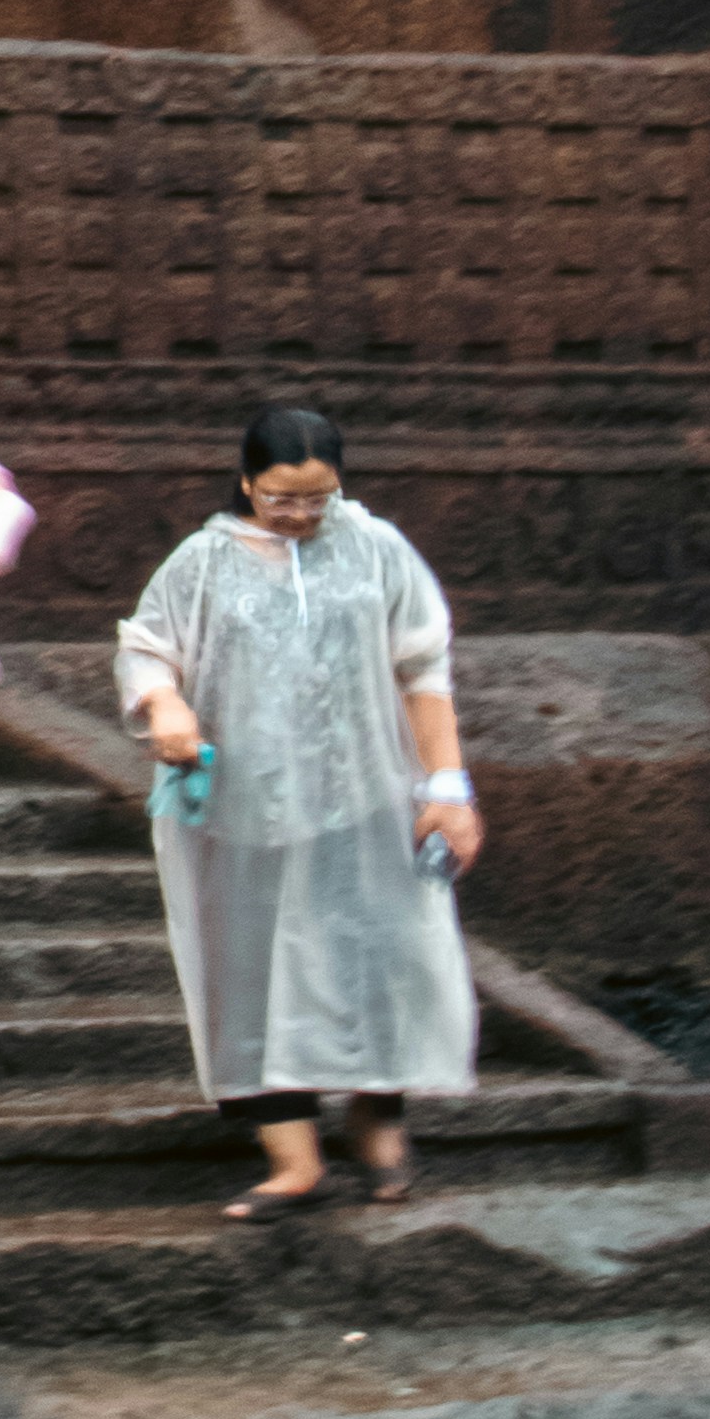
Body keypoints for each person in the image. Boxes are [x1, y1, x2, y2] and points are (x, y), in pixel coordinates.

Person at [116, 400, 482, 1217]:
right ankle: (293, 1158)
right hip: (249, 808)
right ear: (247, 482)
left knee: (377, 960)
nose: (300, 515)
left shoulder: (375, 548)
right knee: (253, 969)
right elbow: (147, 646)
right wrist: (165, 707)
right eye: (282, 498)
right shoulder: (204, 561)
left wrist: (447, 787)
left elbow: (424, 669)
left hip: (364, 797)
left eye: (319, 498)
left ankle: (380, 1133)